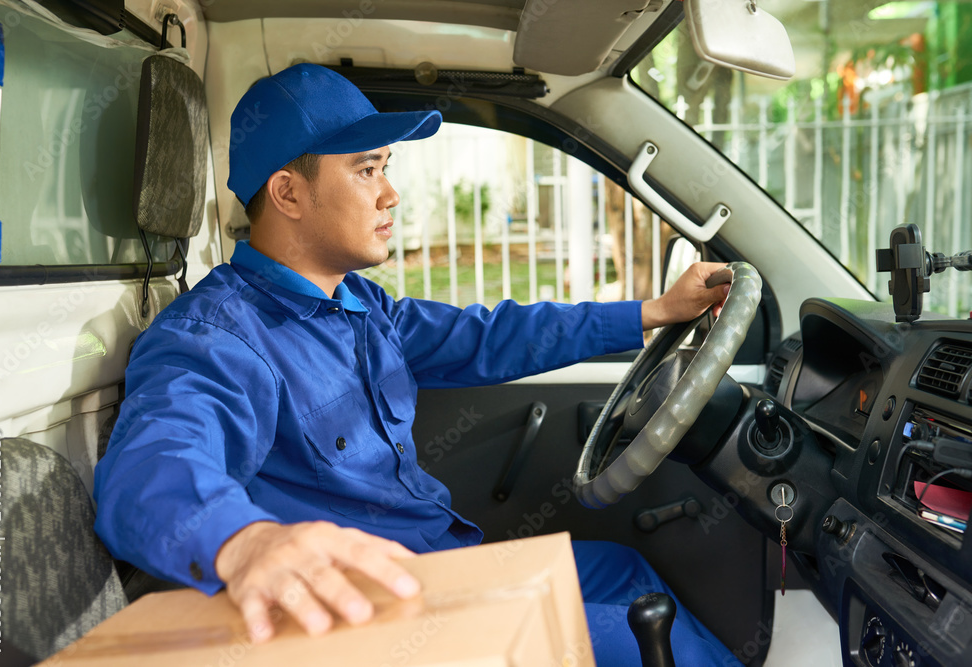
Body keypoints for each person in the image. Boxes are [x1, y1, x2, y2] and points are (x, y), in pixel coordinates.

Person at [93, 63, 737, 665]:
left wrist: (651, 311)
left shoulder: (361, 305)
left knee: (626, 571)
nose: (391, 195)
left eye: (385, 169)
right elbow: (149, 469)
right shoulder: (215, 339)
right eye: (367, 170)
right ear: (288, 192)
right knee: (642, 636)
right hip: (381, 612)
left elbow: (490, 336)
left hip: (445, 562)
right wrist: (247, 542)